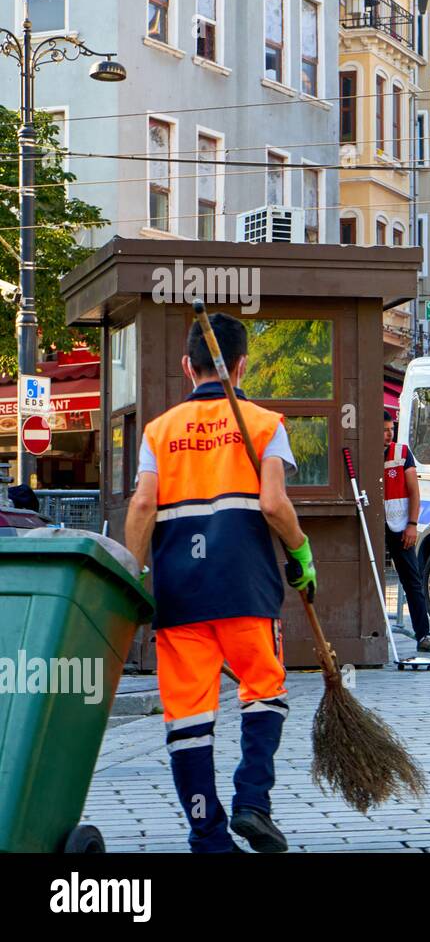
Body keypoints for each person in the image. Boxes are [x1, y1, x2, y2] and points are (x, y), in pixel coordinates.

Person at [125, 313, 313, 853]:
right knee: (264, 689)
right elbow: (274, 504)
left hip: (181, 592)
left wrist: (133, 576)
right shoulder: (263, 423)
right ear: (242, 365)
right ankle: (252, 799)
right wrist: (301, 554)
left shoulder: (158, 431)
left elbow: (142, 505)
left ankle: (208, 835)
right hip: (246, 587)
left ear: (188, 367)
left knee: (188, 717)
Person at [383, 411, 430, 655]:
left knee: (413, 580)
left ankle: (424, 635)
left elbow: (414, 491)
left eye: (391, 429)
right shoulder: (364, 450)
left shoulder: (402, 453)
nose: (389, 434)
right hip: (375, 522)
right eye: (384, 429)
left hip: (399, 524)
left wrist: (412, 524)